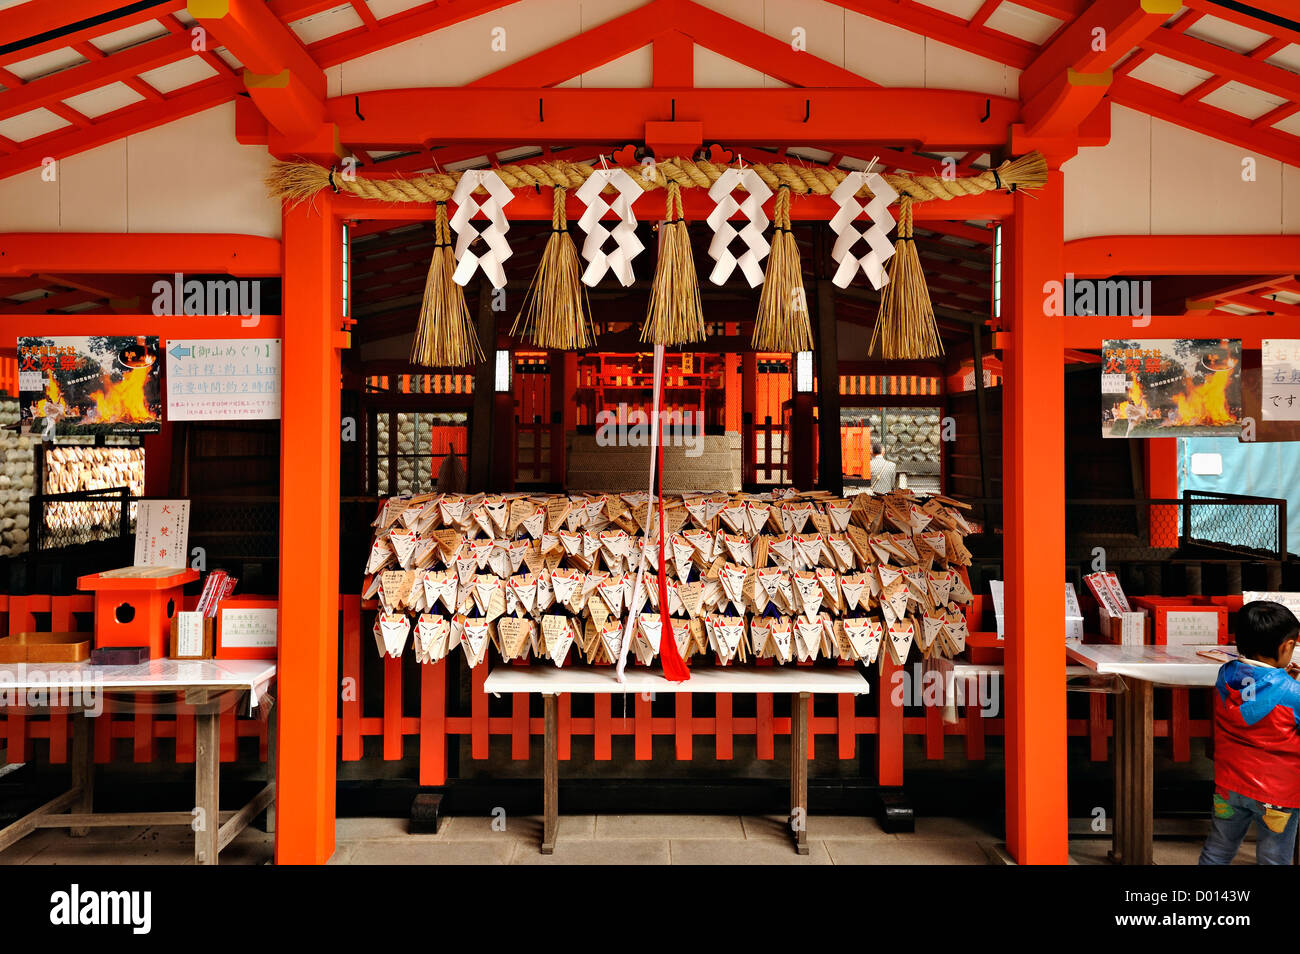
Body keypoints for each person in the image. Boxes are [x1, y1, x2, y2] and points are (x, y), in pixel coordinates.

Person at [1199, 600, 1300, 865]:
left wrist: (1284, 677)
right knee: (1273, 858)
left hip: (1229, 785)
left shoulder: (1224, 675)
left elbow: (1252, 694)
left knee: (1218, 849)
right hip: (1277, 795)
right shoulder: (1293, 693)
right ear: (1286, 646)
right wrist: (1288, 682)